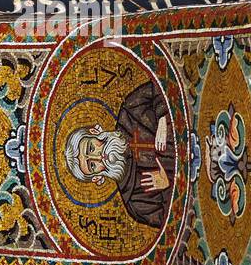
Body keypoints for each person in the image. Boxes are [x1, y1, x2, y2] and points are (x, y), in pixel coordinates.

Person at [63, 81, 173, 228]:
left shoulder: (130, 111)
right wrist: (168, 184)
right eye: (92, 165)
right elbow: (171, 224)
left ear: (95, 132)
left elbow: (161, 85)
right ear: (97, 178)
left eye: (91, 149)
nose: (99, 156)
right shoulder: (135, 202)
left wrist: (162, 117)